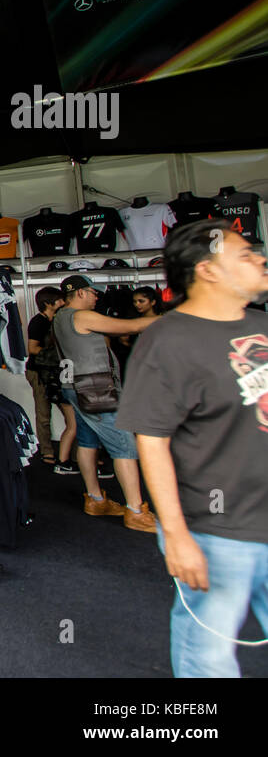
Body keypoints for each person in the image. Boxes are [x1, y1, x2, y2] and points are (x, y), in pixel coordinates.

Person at [117, 219, 268, 676]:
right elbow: (153, 443)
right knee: (209, 655)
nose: (260, 259)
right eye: (244, 255)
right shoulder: (166, 341)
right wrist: (177, 535)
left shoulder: (262, 324)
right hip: (215, 529)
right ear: (208, 271)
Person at [53, 274, 160, 531]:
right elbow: (130, 327)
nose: (96, 296)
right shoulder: (81, 316)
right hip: (95, 390)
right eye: (92, 292)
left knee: (88, 442)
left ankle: (96, 499)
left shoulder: (59, 318)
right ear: (79, 293)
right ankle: (135, 510)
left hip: (73, 388)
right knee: (124, 445)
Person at [26, 287, 81, 472]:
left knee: (70, 415)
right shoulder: (38, 322)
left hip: (55, 371)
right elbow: (32, 349)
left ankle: (73, 454)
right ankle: (47, 451)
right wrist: (57, 353)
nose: (63, 302)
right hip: (39, 372)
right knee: (43, 413)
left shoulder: (58, 320)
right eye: (59, 300)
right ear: (48, 303)